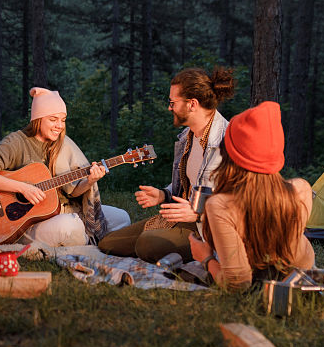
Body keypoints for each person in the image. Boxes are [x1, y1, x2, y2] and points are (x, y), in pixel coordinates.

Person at [98, 66, 235, 263]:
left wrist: (198, 213)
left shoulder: (227, 141)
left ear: (192, 104)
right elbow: (188, 183)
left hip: (208, 229)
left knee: (147, 244)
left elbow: (236, 200)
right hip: (181, 218)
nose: (169, 108)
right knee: (108, 244)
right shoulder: (187, 137)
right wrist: (164, 194)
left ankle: (199, 252)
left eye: (173, 102)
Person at [0, 87, 130, 249]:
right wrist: (24, 188)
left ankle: (85, 240)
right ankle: (88, 241)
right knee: (72, 228)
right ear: (38, 119)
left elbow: (72, 191)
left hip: (66, 210)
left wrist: (90, 181)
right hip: (26, 223)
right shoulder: (16, 142)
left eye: (63, 119)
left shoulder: (63, 145)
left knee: (122, 218)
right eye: (53, 119)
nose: (59, 126)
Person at [188, 101, 315, 289]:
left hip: (257, 282)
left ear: (230, 155)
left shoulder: (221, 205)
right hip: (298, 274)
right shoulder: (300, 189)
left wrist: (204, 257)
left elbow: (237, 283)